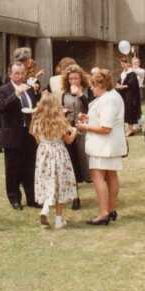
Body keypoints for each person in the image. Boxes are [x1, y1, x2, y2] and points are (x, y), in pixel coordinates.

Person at [77, 69, 127, 226]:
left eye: (93, 85)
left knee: (98, 176)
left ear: (101, 84)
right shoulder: (110, 96)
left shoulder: (108, 99)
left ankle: (104, 213)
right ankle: (110, 210)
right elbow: (103, 118)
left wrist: (84, 127)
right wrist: (89, 118)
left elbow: (106, 128)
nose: (91, 88)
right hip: (109, 145)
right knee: (111, 176)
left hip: (104, 146)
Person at [31, 93, 78, 229]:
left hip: (43, 153)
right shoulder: (60, 120)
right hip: (59, 153)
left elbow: (37, 139)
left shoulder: (36, 120)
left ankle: (45, 208)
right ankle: (58, 219)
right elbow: (68, 140)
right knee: (60, 184)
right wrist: (74, 131)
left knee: (47, 181)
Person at [0, 62, 39, 210]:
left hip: (28, 133)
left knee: (30, 167)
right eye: (17, 73)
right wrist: (16, 94)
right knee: (12, 169)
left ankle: (32, 198)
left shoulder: (29, 89)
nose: (20, 76)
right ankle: (14, 198)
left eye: (22, 73)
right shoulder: (3, 90)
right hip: (12, 134)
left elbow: (34, 105)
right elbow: (2, 107)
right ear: (10, 75)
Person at [60, 64, 91, 209]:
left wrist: (80, 95)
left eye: (76, 78)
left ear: (81, 78)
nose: (73, 81)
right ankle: (75, 197)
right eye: (71, 78)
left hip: (83, 132)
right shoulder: (63, 94)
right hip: (68, 132)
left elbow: (91, 107)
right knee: (71, 164)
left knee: (84, 163)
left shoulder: (86, 91)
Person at [116, 58, 142, 137]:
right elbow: (118, 82)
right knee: (124, 111)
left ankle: (131, 129)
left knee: (129, 111)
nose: (122, 65)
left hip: (130, 96)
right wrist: (117, 85)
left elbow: (131, 84)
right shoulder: (123, 73)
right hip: (123, 95)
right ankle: (128, 129)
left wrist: (122, 86)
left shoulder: (132, 73)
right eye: (121, 63)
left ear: (127, 63)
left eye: (124, 63)